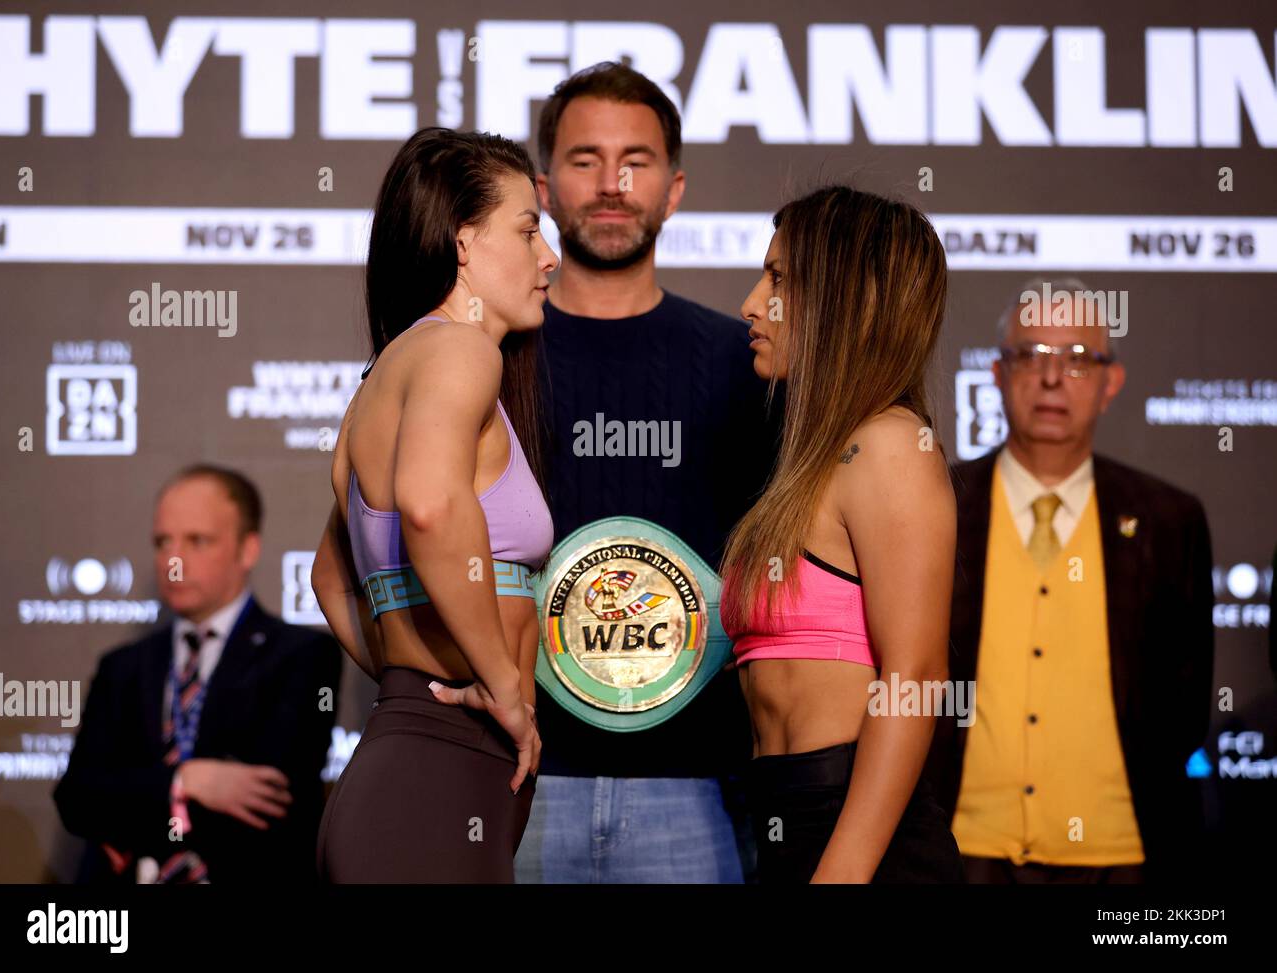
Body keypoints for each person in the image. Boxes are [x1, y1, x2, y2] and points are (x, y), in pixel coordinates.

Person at [510, 62, 781, 883]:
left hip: (698, 785)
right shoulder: (488, 357)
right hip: (522, 781)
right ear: (544, 187)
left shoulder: (748, 362)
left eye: (638, 159)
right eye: (585, 159)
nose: (613, 183)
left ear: (675, 187)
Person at [310, 128, 558, 883]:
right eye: (527, 228)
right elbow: (427, 506)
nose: (549, 256)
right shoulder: (459, 350)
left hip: (416, 761)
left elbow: (330, 576)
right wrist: (504, 685)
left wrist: (408, 679)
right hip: (435, 771)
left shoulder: (385, 377)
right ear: (463, 243)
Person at [925, 276, 1215, 884]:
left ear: (1111, 383)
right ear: (998, 376)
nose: (1052, 378)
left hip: (1122, 859)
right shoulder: (938, 503)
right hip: (962, 851)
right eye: (1030, 356)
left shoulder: (1169, 519)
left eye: (1078, 360)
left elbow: (1185, 702)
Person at [719, 185, 965, 883]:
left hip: (858, 839)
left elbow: (913, 676)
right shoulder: (817, 458)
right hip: (788, 823)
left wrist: (845, 869)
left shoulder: (891, 446)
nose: (751, 303)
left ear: (846, 300)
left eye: (779, 280)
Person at [54, 465, 342, 884]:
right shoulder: (122, 667)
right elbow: (78, 798)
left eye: (197, 541)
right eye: (162, 541)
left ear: (247, 550)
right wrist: (187, 782)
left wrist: (128, 812)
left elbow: (272, 803)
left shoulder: (302, 656)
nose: (173, 560)